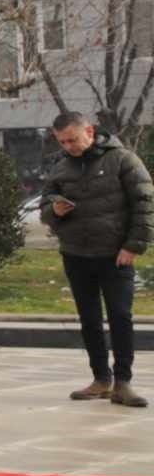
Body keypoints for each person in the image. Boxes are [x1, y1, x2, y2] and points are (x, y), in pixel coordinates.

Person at [41, 111, 152, 407]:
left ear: (89, 131)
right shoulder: (61, 167)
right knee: (89, 319)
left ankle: (123, 383)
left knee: (120, 317)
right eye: (63, 142)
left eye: (73, 139)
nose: (69, 146)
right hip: (76, 254)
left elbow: (144, 203)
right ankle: (100, 379)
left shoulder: (123, 160)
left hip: (116, 255)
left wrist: (133, 246)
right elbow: (45, 205)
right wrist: (55, 211)